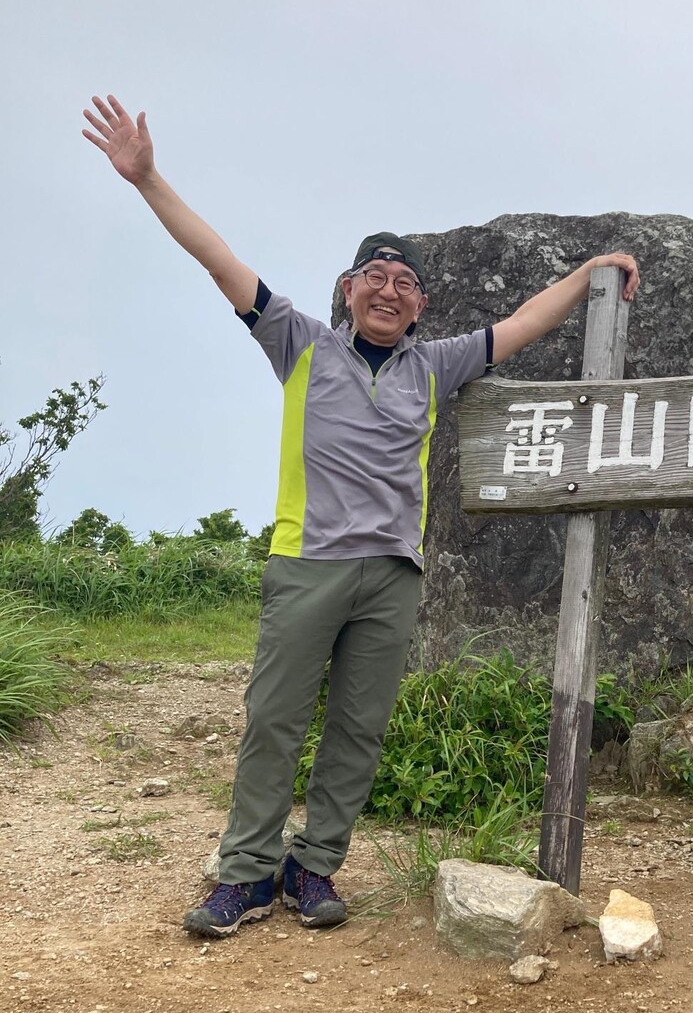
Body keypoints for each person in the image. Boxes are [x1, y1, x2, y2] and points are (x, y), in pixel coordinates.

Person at [82, 94, 639, 938]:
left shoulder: (437, 366)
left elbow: (524, 322)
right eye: (373, 277)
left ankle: (314, 870)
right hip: (306, 565)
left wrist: (594, 267)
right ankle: (244, 875)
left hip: (392, 575)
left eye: (405, 283)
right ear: (347, 291)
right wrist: (148, 178)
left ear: (419, 307)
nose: (389, 290)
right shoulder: (298, 340)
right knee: (274, 721)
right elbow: (216, 258)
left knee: (357, 730)